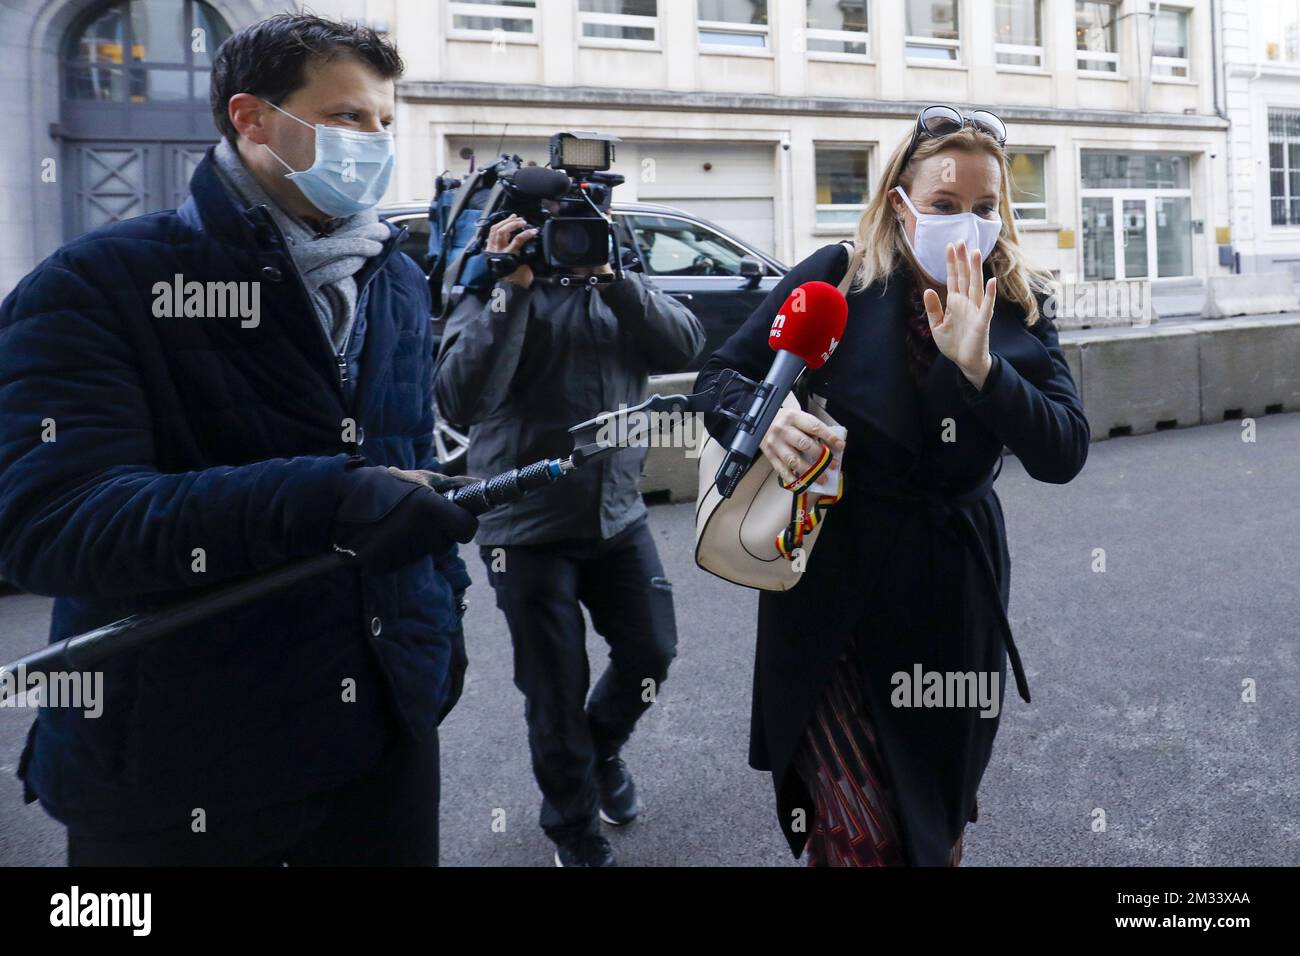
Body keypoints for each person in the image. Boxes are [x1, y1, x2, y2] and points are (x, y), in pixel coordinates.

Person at [0, 14, 479, 866]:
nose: (372, 141)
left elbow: (412, 473)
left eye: (381, 122)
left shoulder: (397, 278)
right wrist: (326, 499)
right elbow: (50, 522)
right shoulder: (98, 283)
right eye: (345, 118)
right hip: (180, 768)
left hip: (385, 739)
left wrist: (437, 641)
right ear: (251, 119)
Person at [696, 105, 1089, 867]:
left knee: (932, 824)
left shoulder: (1020, 301)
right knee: (856, 836)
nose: (966, 224)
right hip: (831, 595)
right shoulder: (836, 277)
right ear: (899, 204)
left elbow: (1064, 450)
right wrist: (764, 415)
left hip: (949, 602)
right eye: (945, 206)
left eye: (984, 208)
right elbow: (719, 376)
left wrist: (982, 369)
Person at [435, 213, 705, 866]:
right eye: (558, 231)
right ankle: (575, 830)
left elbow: (686, 347)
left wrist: (613, 280)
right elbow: (461, 398)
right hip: (525, 525)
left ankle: (601, 750)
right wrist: (512, 286)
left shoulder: (616, 284)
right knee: (554, 692)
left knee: (651, 650)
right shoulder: (495, 286)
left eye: (586, 229)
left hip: (617, 514)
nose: (573, 242)